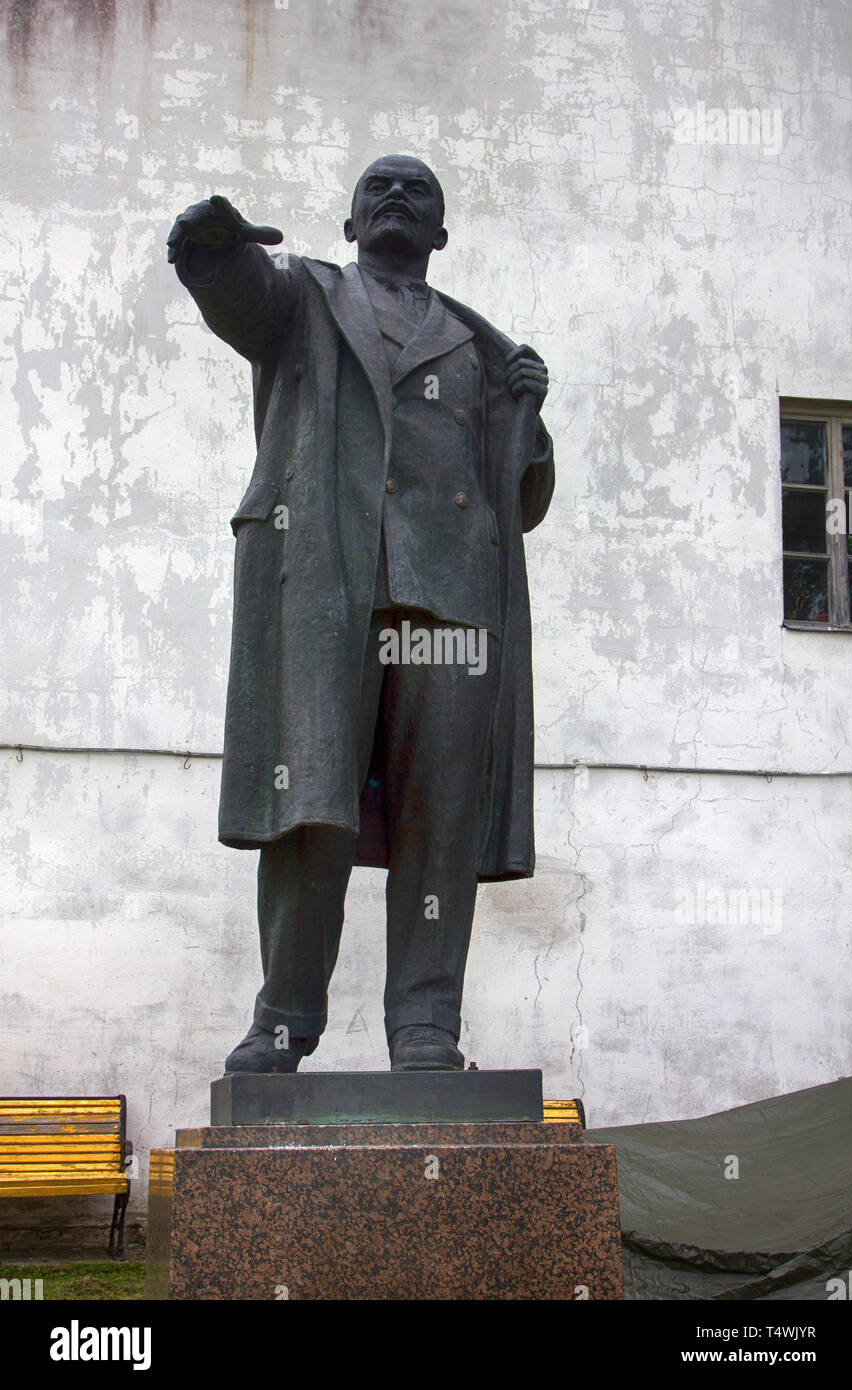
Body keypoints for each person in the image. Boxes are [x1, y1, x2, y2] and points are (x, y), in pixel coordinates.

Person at [167, 155, 554, 1072]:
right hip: (328, 586)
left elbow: (522, 498)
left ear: (441, 234)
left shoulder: (479, 348)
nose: (395, 198)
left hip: (450, 599)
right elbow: (240, 296)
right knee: (312, 809)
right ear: (347, 226)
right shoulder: (307, 298)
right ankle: (283, 1020)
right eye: (377, 188)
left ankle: (426, 1023)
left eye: (417, 192)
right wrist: (212, 247)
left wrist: (528, 420)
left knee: (442, 812)